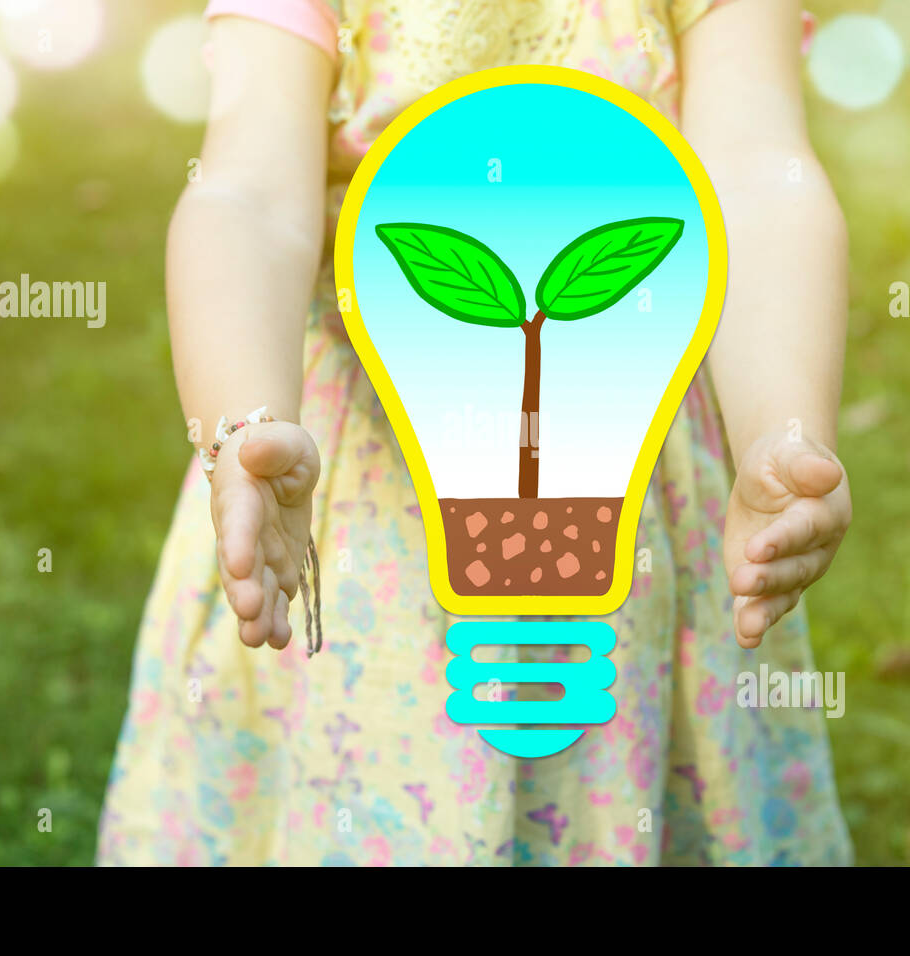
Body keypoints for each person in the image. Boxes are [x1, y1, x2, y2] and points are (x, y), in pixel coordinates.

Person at [99, 0, 853, 866]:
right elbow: (247, 195)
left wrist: (781, 430)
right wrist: (247, 422)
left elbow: (756, 173)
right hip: (362, 488)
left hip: (630, 452)